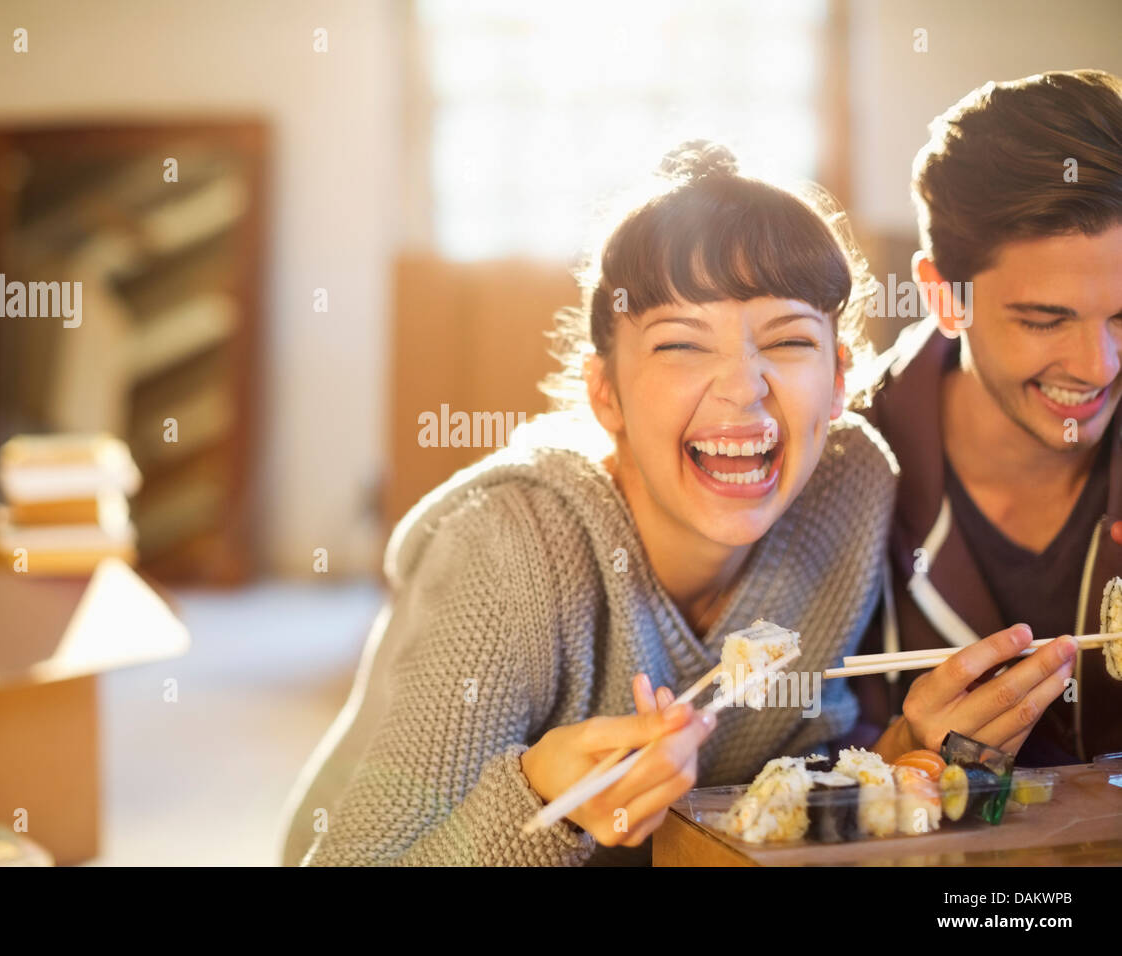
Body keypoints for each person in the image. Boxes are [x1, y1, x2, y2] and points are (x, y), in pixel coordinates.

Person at [277, 140, 899, 866]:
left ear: (838, 377)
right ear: (606, 392)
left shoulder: (853, 485)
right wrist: (541, 797)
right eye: (681, 346)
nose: (743, 388)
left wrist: (907, 750)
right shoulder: (506, 553)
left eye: (790, 340)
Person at [858, 70, 1122, 764]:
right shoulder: (829, 472)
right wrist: (900, 757)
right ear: (945, 298)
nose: (1098, 366)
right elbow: (763, 782)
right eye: (1043, 319)